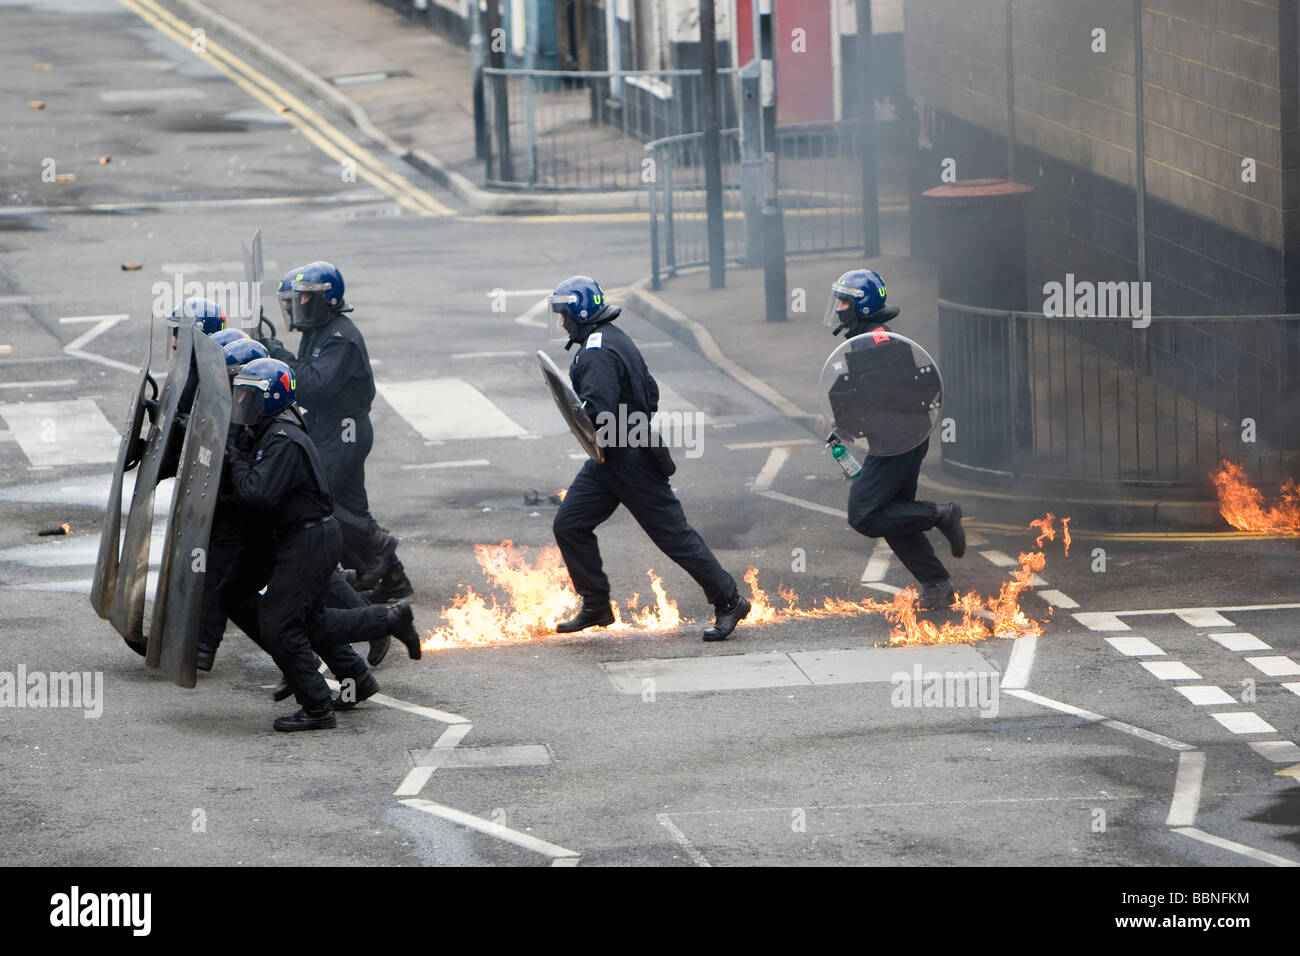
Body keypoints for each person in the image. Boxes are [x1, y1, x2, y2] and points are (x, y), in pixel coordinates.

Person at [548, 276, 750, 641]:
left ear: (578, 312)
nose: (562, 322)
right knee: (570, 524)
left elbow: (598, 413)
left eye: (564, 314)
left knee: (674, 537)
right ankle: (596, 605)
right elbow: (651, 393)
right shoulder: (615, 337)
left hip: (629, 459)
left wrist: (596, 422)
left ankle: (730, 601)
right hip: (610, 457)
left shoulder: (595, 353)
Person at [218, 357, 374, 731]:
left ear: (268, 400)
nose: (241, 404)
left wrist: (236, 461)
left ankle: (318, 705)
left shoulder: (283, 438)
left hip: (308, 537)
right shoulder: (269, 428)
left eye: (248, 398)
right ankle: (356, 679)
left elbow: (258, 492)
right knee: (237, 595)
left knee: (280, 624)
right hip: (295, 536)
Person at [263, 264, 412, 603]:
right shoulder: (318, 331)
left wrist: (279, 357)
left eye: (302, 298)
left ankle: (377, 543)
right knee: (348, 506)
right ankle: (392, 579)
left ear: (325, 300)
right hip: (330, 427)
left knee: (319, 501)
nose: (293, 306)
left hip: (344, 430)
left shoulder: (340, 336)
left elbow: (316, 387)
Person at [824, 269, 966, 610]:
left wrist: (853, 421)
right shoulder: (868, 339)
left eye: (846, 301)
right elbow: (873, 396)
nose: (839, 307)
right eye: (839, 300)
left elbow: (890, 396)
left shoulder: (879, 343)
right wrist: (847, 425)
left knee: (864, 514)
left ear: (865, 306)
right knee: (892, 513)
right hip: (897, 437)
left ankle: (941, 515)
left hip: (898, 440)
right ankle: (937, 585)